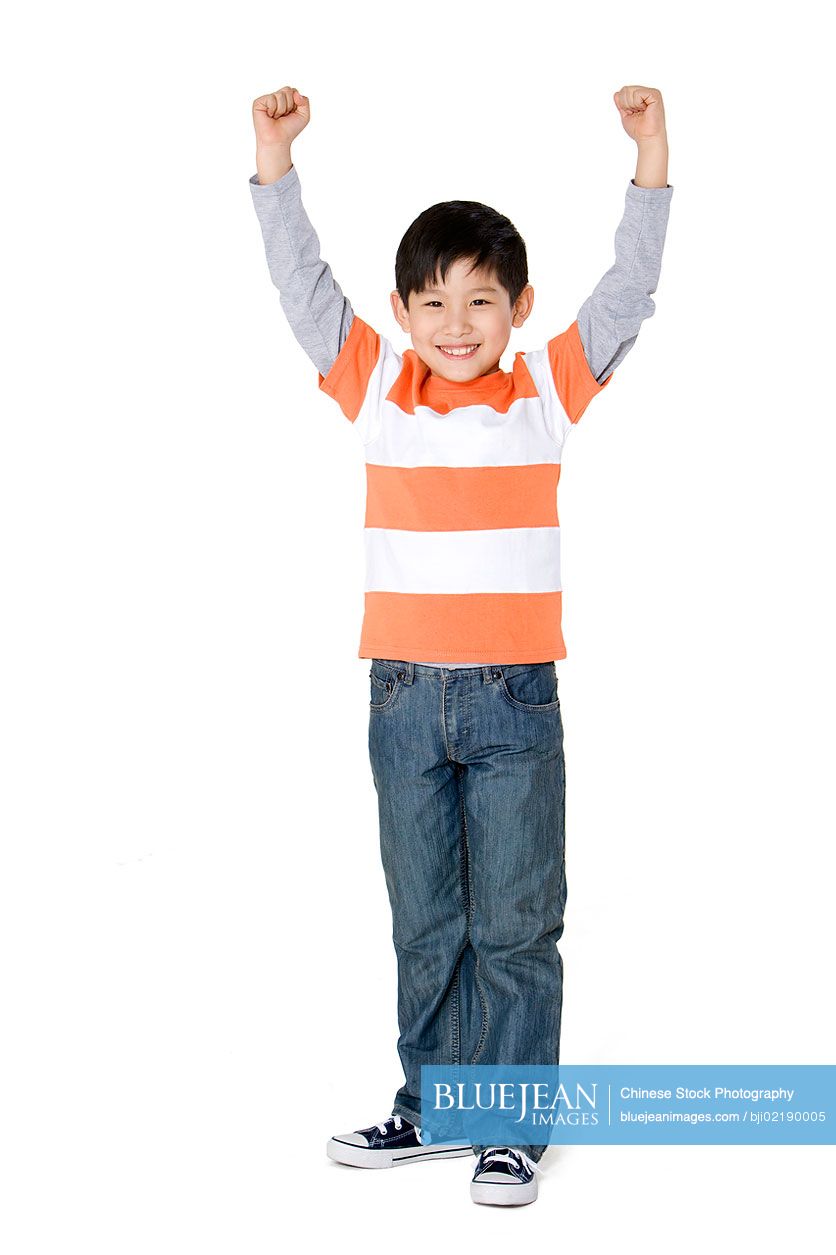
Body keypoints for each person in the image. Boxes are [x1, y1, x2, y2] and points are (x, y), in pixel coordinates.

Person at [248, 84, 673, 1206]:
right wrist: (274, 164)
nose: (453, 324)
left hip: (512, 703)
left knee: (516, 922)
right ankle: (435, 1101)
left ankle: (512, 1122)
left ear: (517, 308)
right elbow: (302, 289)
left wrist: (647, 160)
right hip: (400, 700)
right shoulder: (377, 382)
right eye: (431, 302)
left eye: (478, 302)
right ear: (400, 309)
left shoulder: (543, 385)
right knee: (426, 916)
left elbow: (628, 290)